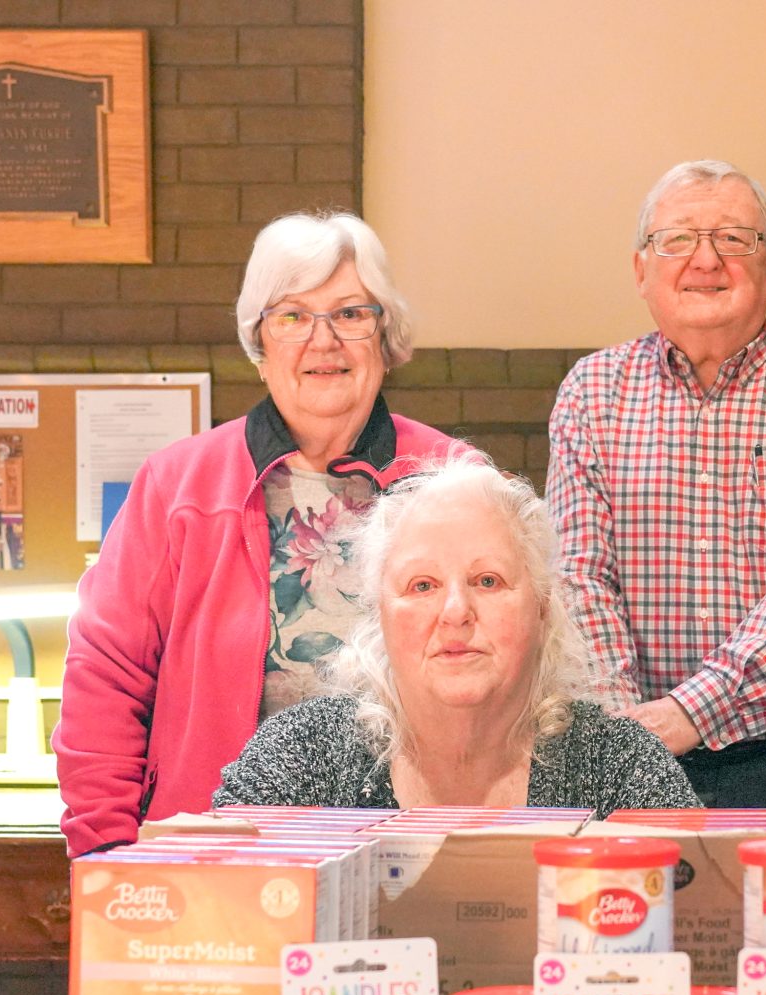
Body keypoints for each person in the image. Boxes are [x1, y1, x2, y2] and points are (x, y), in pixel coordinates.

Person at [56, 211, 468, 855]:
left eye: (351, 314)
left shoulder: (454, 480)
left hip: (413, 846)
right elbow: (106, 674)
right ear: (260, 342)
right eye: (292, 316)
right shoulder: (177, 485)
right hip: (213, 848)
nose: (322, 341)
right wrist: (106, 849)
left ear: (386, 336)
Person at [546, 159, 766, 808]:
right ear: (641, 270)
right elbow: (577, 572)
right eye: (676, 240)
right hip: (626, 754)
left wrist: (695, 711)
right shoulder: (592, 392)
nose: (705, 260)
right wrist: (627, 731)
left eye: (734, 239)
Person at [213, 454, 701, 816]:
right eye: (421, 586)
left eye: (487, 581)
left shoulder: (620, 766)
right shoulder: (301, 755)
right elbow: (218, 916)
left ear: (543, 609)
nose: (455, 612)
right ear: (379, 614)